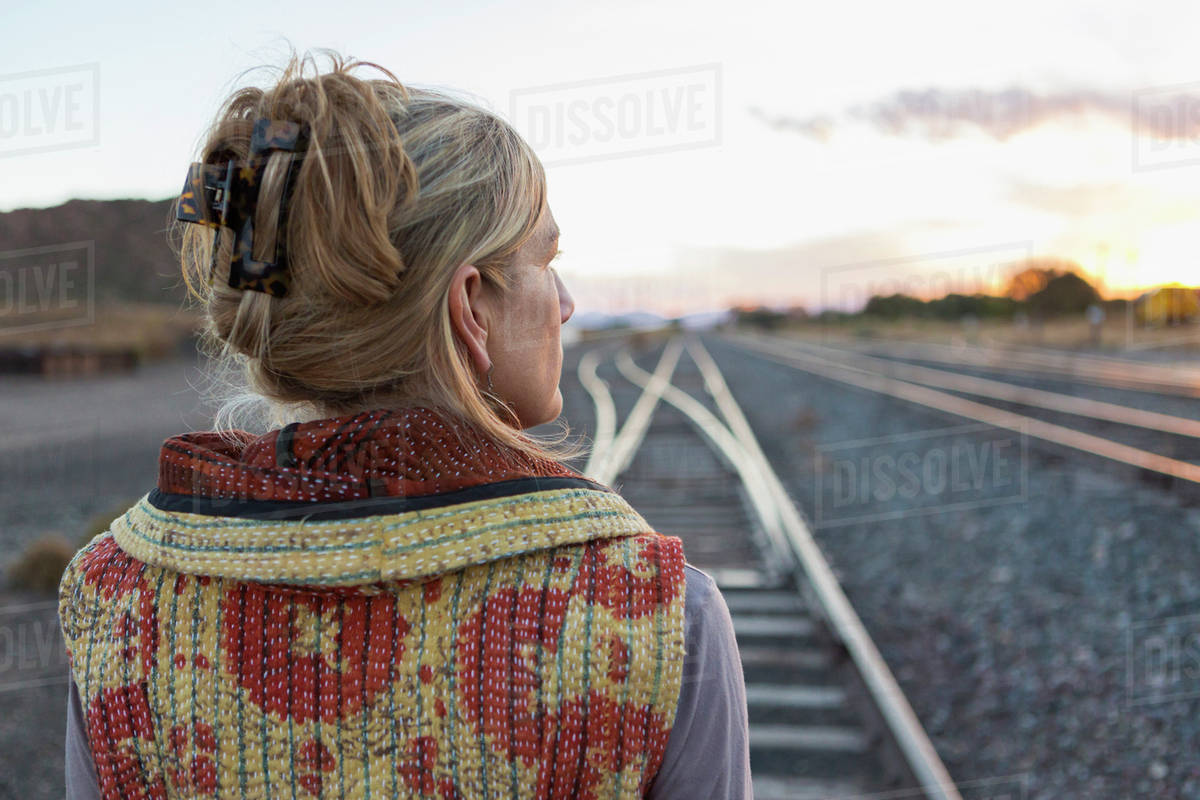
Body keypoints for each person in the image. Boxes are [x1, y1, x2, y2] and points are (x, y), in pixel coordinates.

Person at [57, 49, 751, 799]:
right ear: (471, 308)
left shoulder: (112, 597)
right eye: (547, 261)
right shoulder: (661, 614)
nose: (567, 302)